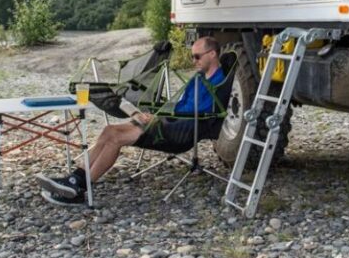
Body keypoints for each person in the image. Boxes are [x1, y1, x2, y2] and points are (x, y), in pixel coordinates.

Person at [36, 36, 224, 206]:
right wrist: (155, 113)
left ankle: (80, 189)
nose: (193, 61)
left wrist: (159, 118)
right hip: (170, 121)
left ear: (212, 54)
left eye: (197, 57)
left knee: (117, 138)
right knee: (109, 130)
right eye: (192, 57)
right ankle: (75, 178)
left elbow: (198, 112)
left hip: (180, 130)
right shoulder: (198, 78)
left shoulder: (217, 82)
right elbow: (181, 104)